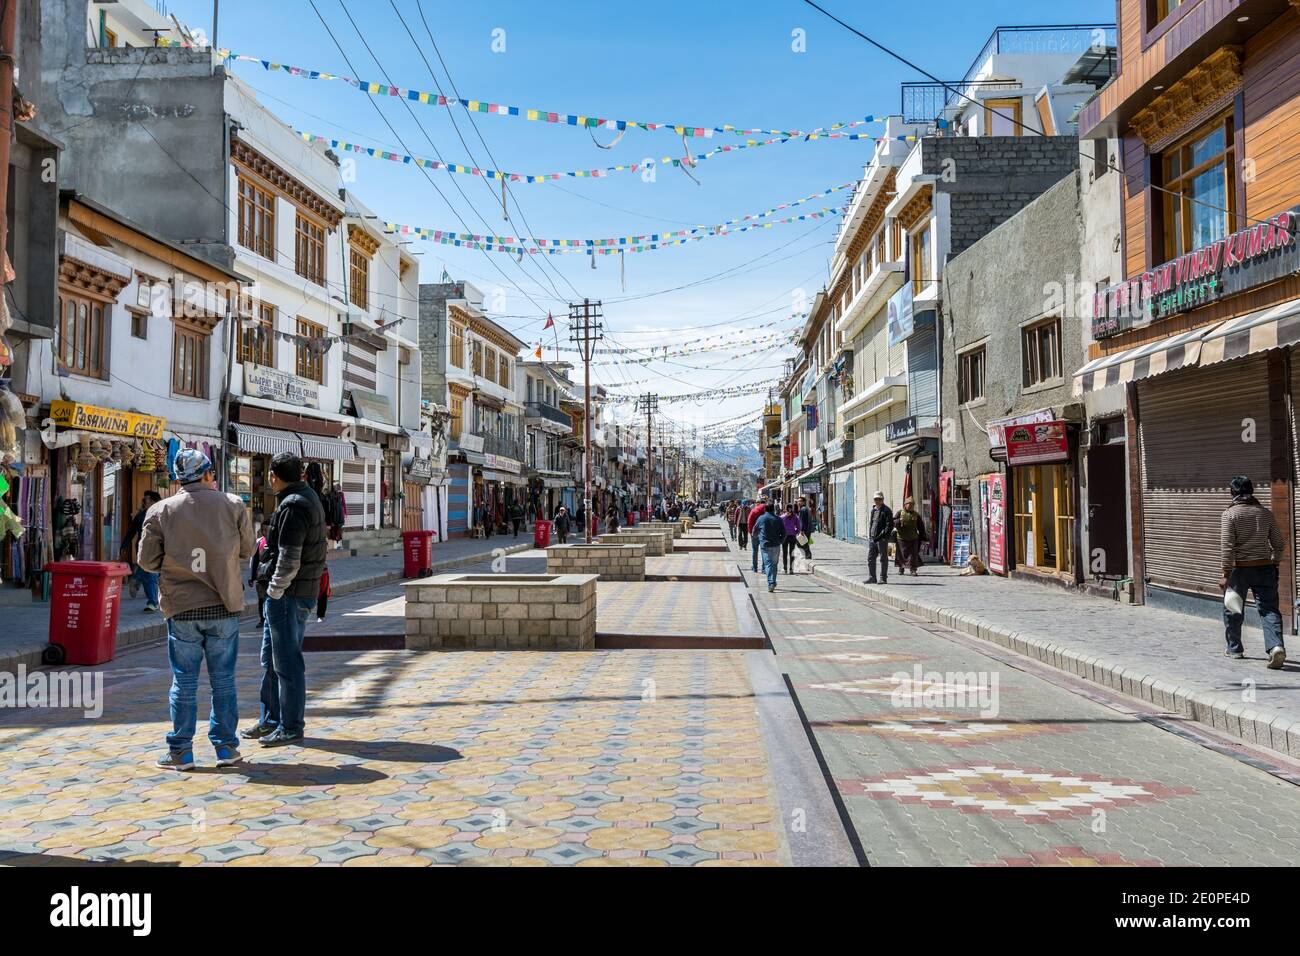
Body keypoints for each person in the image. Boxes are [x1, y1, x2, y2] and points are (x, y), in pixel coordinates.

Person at [137, 449, 254, 771]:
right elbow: (247, 550)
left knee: (184, 681)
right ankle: (226, 748)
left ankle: (181, 752)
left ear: (178, 478)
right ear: (207, 474)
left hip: (182, 607)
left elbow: (146, 562)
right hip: (223, 605)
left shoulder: (160, 510)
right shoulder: (233, 504)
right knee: (224, 681)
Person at [242, 452, 327, 748]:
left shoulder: (294, 506)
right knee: (271, 660)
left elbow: (290, 557)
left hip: (289, 596)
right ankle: (270, 720)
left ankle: (290, 725)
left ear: (274, 476)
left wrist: (275, 590)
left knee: (287, 663)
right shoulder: (305, 498)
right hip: (291, 594)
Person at [1221, 475, 1287, 669]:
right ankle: (1275, 647)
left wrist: (1225, 573)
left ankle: (1235, 648)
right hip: (1264, 567)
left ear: (1232, 492)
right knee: (1269, 609)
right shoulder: (1265, 513)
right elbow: (1279, 543)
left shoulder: (1230, 515)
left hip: (1239, 570)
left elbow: (1227, 547)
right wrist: (1274, 563)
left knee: (1232, 608)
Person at [122, 490, 162, 612]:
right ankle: (153, 602)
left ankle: (137, 579)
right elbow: (131, 531)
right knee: (150, 575)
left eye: (146, 500)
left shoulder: (163, 513)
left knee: (151, 575)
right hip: (144, 549)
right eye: (143, 500)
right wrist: (125, 545)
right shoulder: (141, 515)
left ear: (153, 501)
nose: (144, 502)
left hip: (160, 549)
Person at [754, 502, 786, 593]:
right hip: (776, 545)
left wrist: (755, 536)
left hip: (765, 545)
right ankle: (772, 581)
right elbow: (784, 532)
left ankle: (771, 583)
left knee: (768, 564)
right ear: (773, 509)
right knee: (774, 564)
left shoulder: (761, 518)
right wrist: (780, 541)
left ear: (765, 509)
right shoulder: (778, 519)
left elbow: (755, 530)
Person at [894, 497, 927, 576]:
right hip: (901, 538)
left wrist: (923, 537)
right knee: (901, 555)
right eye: (908, 504)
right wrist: (899, 521)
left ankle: (913, 569)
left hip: (913, 538)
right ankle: (901, 568)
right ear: (905, 505)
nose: (910, 506)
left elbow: (921, 526)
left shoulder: (916, 515)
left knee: (913, 555)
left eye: (912, 504)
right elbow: (893, 522)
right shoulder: (900, 513)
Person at [867, 492, 894, 584]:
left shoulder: (886, 510)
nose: (877, 501)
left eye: (879, 499)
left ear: (882, 499)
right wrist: (870, 535)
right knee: (871, 558)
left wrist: (883, 536)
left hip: (881, 539)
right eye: (876, 499)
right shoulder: (873, 510)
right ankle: (872, 577)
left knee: (883, 558)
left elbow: (889, 525)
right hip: (873, 538)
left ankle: (883, 577)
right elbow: (872, 523)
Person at [249, 522, 271, 628]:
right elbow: (254, 560)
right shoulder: (259, 542)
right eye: (263, 530)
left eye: (267, 530)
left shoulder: (277, 542)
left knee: (272, 598)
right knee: (261, 599)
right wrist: (252, 577)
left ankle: (271, 618)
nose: (264, 532)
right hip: (261, 577)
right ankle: (262, 619)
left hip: (272, 577)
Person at [747, 498, 768, 573]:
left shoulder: (754, 510)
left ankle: (755, 567)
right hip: (765, 534)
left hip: (755, 533)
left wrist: (751, 532)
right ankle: (764, 569)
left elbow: (749, 522)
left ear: (758, 503)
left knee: (755, 551)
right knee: (764, 551)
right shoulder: (767, 511)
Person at [780, 502, 802, 574]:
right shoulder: (795, 517)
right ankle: (791, 569)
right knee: (791, 553)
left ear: (785, 509)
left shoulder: (782, 517)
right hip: (792, 536)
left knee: (785, 552)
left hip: (784, 536)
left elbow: (779, 527)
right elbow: (798, 527)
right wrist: (795, 532)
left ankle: (785, 568)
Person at [797, 496, 815, 562]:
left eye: (800, 501)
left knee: (801, 542)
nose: (798, 503)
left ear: (804, 502)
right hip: (808, 529)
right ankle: (807, 555)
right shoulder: (805, 509)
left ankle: (808, 555)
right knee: (804, 542)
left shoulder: (803, 509)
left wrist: (801, 530)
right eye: (798, 501)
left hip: (805, 529)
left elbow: (802, 521)